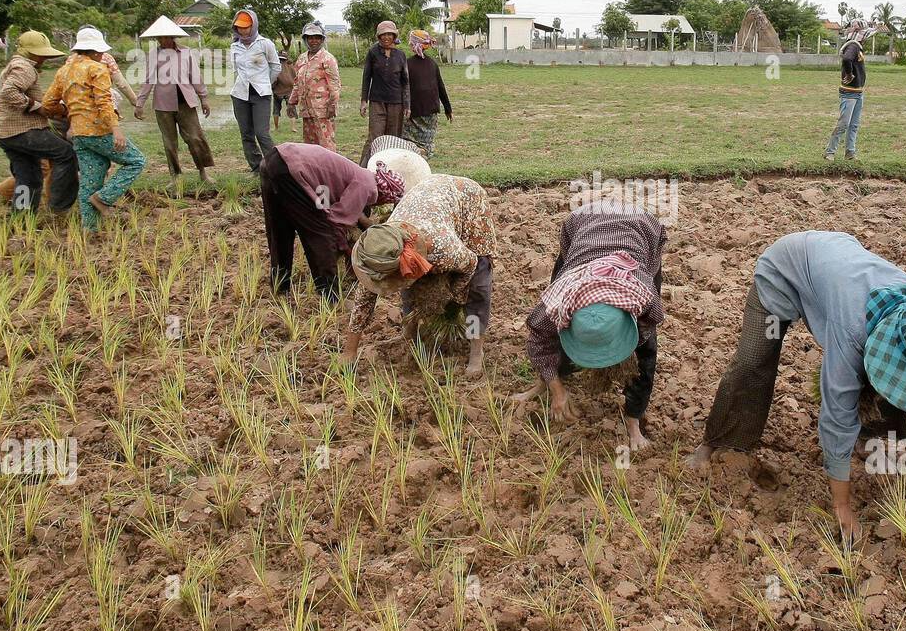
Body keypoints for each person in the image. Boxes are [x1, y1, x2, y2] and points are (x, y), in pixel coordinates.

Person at [688, 231, 906, 536]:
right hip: (783, 272)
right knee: (755, 360)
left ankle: (873, 440)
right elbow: (837, 413)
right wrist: (842, 508)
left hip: (836, 261)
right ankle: (718, 441)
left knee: (891, 375)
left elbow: (904, 373)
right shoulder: (852, 328)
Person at [513, 201, 666, 451]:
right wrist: (556, 388)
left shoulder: (645, 301)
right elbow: (539, 341)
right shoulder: (555, 304)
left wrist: (628, 352)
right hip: (582, 224)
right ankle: (544, 382)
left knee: (645, 354)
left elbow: (649, 336)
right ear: (568, 321)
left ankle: (633, 423)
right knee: (552, 344)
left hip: (641, 227)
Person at [342, 172, 495, 376]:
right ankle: (410, 332)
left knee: (477, 288)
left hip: (467, 201)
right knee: (408, 282)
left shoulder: (443, 249)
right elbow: (364, 301)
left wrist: (453, 297)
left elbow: (471, 264)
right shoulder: (378, 249)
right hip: (426, 206)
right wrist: (350, 351)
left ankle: (476, 349)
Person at [259, 142, 408, 301]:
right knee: (321, 233)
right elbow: (335, 221)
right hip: (292, 167)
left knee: (280, 228)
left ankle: (280, 287)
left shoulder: (356, 174)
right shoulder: (368, 186)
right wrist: (348, 250)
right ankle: (330, 296)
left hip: (274, 160)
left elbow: (321, 193)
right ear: (385, 194)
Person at [40, 27, 146, 230]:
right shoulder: (97, 69)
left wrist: (66, 112)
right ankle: (104, 198)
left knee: (91, 178)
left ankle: (90, 230)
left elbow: (47, 104)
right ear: (97, 51)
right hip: (99, 131)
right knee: (136, 161)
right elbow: (104, 101)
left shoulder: (64, 71)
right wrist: (116, 129)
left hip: (77, 133)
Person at [0, 31, 79, 216]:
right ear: (31, 53)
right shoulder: (24, 67)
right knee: (65, 153)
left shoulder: (16, 65)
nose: (44, 59)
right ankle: (59, 206)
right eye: (42, 54)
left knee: (29, 176)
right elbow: (9, 92)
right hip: (22, 130)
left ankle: (21, 216)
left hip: (5, 133)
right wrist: (36, 107)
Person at [135, 15, 214, 184]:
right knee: (170, 142)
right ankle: (175, 176)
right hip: (164, 106)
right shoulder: (153, 55)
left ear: (173, 37)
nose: (163, 40)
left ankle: (203, 173)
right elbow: (149, 80)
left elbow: (195, 76)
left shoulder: (186, 53)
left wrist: (204, 98)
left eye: (167, 37)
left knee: (195, 138)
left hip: (186, 102)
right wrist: (140, 103)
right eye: (160, 37)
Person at [229, 8, 281, 173]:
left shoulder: (265, 43)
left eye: (246, 26)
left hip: (261, 95)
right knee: (246, 134)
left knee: (262, 133)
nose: (243, 30)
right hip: (240, 95)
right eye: (240, 27)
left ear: (254, 25)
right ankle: (257, 168)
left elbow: (276, 67)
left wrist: (265, 83)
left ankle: (276, 168)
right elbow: (235, 69)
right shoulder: (234, 46)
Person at [824, 20, 877, 162]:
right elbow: (846, 59)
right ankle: (830, 152)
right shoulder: (853, 46)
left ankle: (850, 152)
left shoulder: (856, 46)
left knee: (853, 125)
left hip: (858, 92)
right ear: (861, 36)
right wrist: (849, 74)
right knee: (844, 124)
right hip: (850, 92)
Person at [359, 20, 409, 165]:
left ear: (394, 36)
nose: (386, 37)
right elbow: (366, 77)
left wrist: (407, 105)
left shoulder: (401, 55)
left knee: (393, 138)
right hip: (377, 102)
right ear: (378, 37)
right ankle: (363, 168)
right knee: (375, 137)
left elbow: (406, 82)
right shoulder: (373, 53)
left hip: (396, 103)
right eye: (383, 34)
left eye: (390, 34)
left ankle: (390, 169)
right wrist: (364, 101)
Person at [289, 21, 342, 151]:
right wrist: (291, 102)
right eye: (310, 38)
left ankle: (330, 170)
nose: (313, 41)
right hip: (306, 110)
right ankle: (313, 170)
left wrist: (332, 105)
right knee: (310, 146)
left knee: (326, 143)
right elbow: (297, 83)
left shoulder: (327, 59)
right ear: (305, 39)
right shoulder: (301, 59)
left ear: (322, 39)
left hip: (323, 110)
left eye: (317, 38)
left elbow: (335, 85)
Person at [403, 29, 451, 158]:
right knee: (426, 142)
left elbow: (402, 88)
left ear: (413, 45)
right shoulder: (432, 63)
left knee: (410, 142)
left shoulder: (407, 64)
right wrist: (448, 108)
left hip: (414, 111)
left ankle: (417, 161)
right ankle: (424, 157)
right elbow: (441, 86)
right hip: (431, 111)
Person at [272, 52, 296, 133]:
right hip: (289, 91)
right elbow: (296, 78)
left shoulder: (276, 68)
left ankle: (276, 128)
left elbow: (274, 80)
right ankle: (293, 128)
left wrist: (272, 88)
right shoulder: (291, 67)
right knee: (291, 109)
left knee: (276, 109)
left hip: (278, 92)